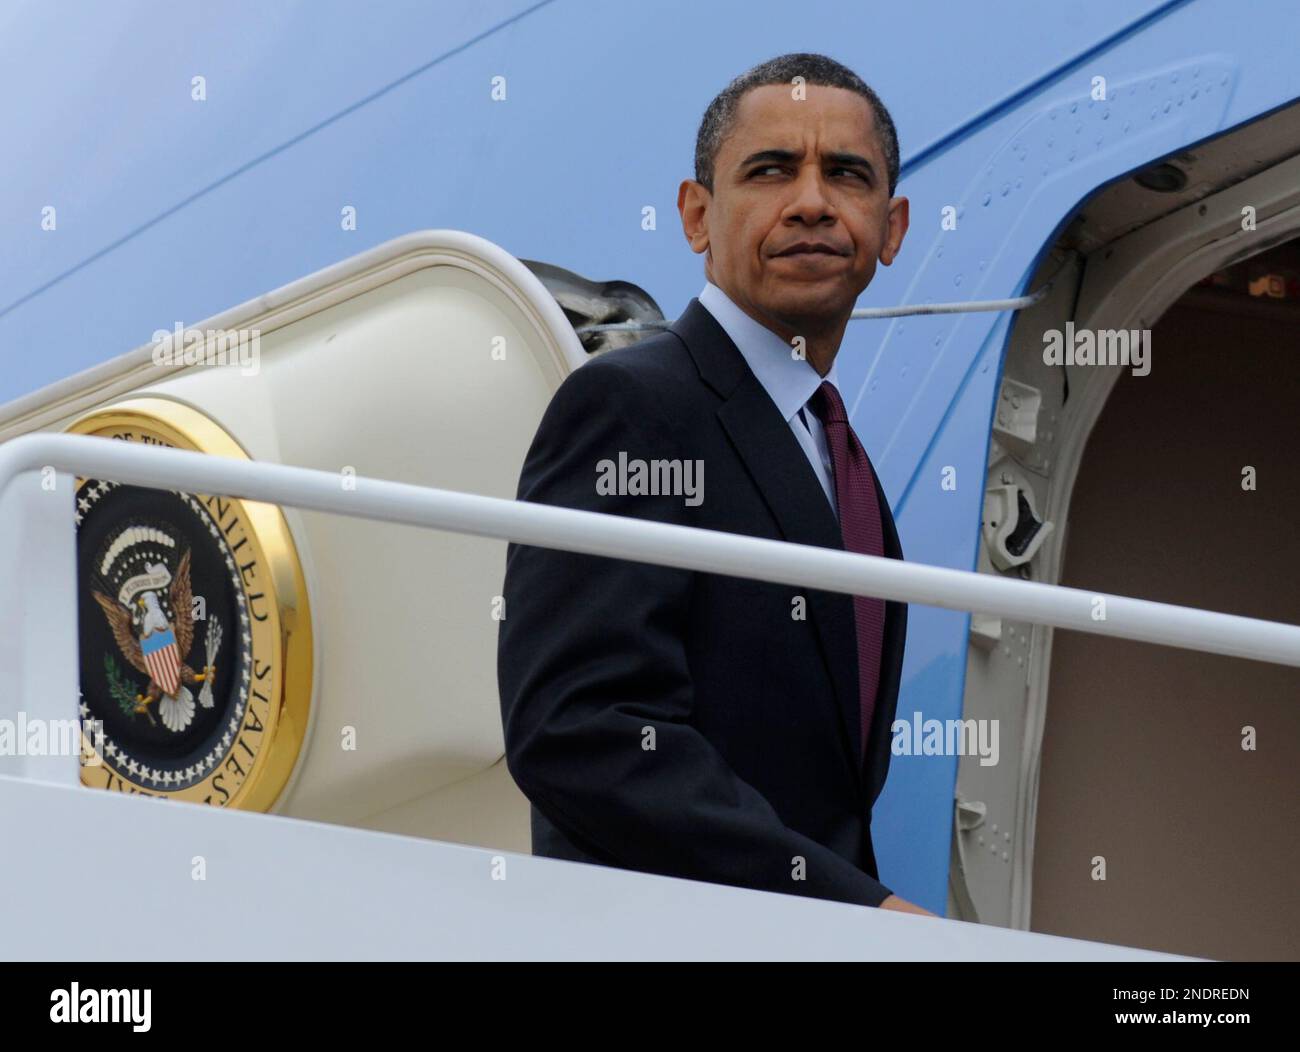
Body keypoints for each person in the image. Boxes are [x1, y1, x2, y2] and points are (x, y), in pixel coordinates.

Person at [497, 52, 935, 916]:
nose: (811, 200)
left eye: (846, 175)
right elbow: (583, 730)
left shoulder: (844, 467)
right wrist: (855, 906)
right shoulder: (631, 405)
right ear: (697, 216)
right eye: (771, 170)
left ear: (892, 228)